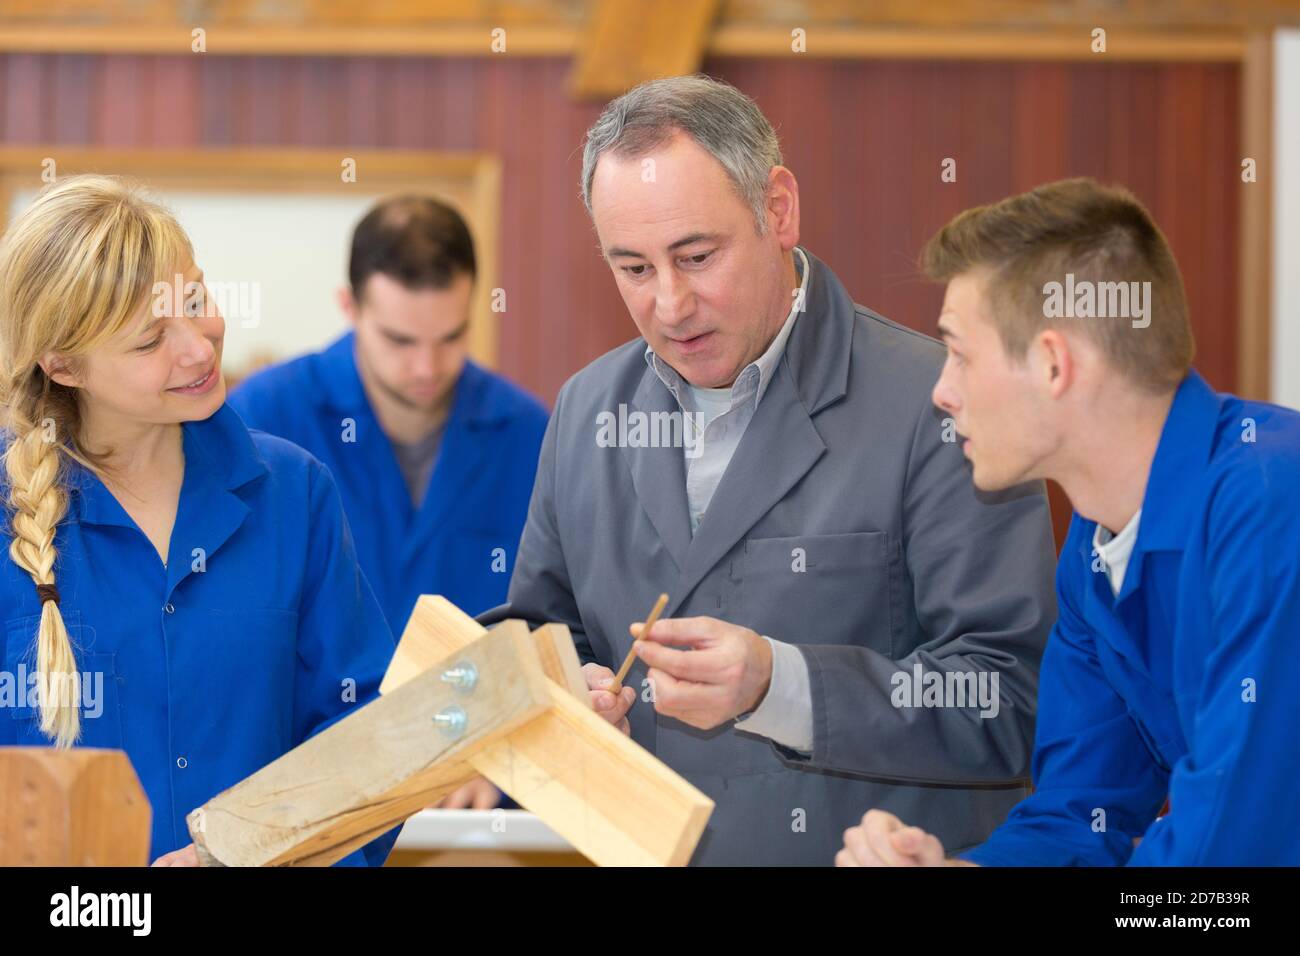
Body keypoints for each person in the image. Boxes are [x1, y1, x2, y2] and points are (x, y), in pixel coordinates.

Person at [485, 75, 1058, 865]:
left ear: (778, 209)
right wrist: (562, 696)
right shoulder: (587, 410)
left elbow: (1010, 700)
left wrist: (781, 687)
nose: (671, 304)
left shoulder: (942, 404)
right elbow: (544, 629)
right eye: (634, 268)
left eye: (696, 255)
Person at [838, 178, 1300, 867]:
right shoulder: (1097, 541)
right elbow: (1081, 814)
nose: (942, 391)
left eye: (960, 355)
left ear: (1054, 364)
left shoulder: (1272, 498)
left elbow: (1225, 867)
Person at [0, 175, 398, 866]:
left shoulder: (293, 494)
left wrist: (247, 851)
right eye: (151, 339)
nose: (198, 347)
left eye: (196, 300)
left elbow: (366, 729)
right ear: (62, 364)